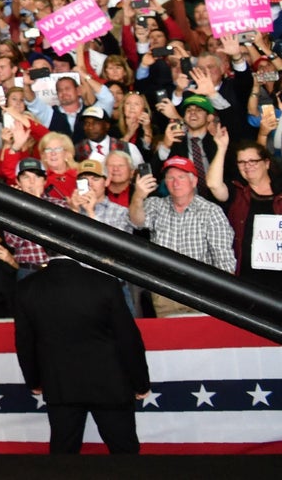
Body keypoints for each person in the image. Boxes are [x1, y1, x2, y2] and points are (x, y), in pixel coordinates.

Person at [14, 257, 150, 454]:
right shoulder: (104, 283)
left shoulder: (27, 287)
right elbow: (128, 338)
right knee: (125, 454)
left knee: (64, 457)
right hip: (110, 384)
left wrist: (34, 381)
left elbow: (25, 342)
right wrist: (140, 382)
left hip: (60, 385)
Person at [129, 156, 235, 315]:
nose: (175, 182)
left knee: (204, 337)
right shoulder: (156, 204)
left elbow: (224, 258)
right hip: (165, 290)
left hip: (203, 290)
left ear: (193, 181)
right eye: (170, 177)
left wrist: (224, 295)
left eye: (181, 177)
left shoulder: (211, 211)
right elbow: (137, 222)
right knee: (171, 337)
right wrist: (138, 195)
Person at [203, 131, 282, 294]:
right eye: (242, 162)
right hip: (246, 275)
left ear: (266, 163)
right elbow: (213, 184)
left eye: (253, 161)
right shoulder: (237, 191)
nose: (248, 166)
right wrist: (222, 147)